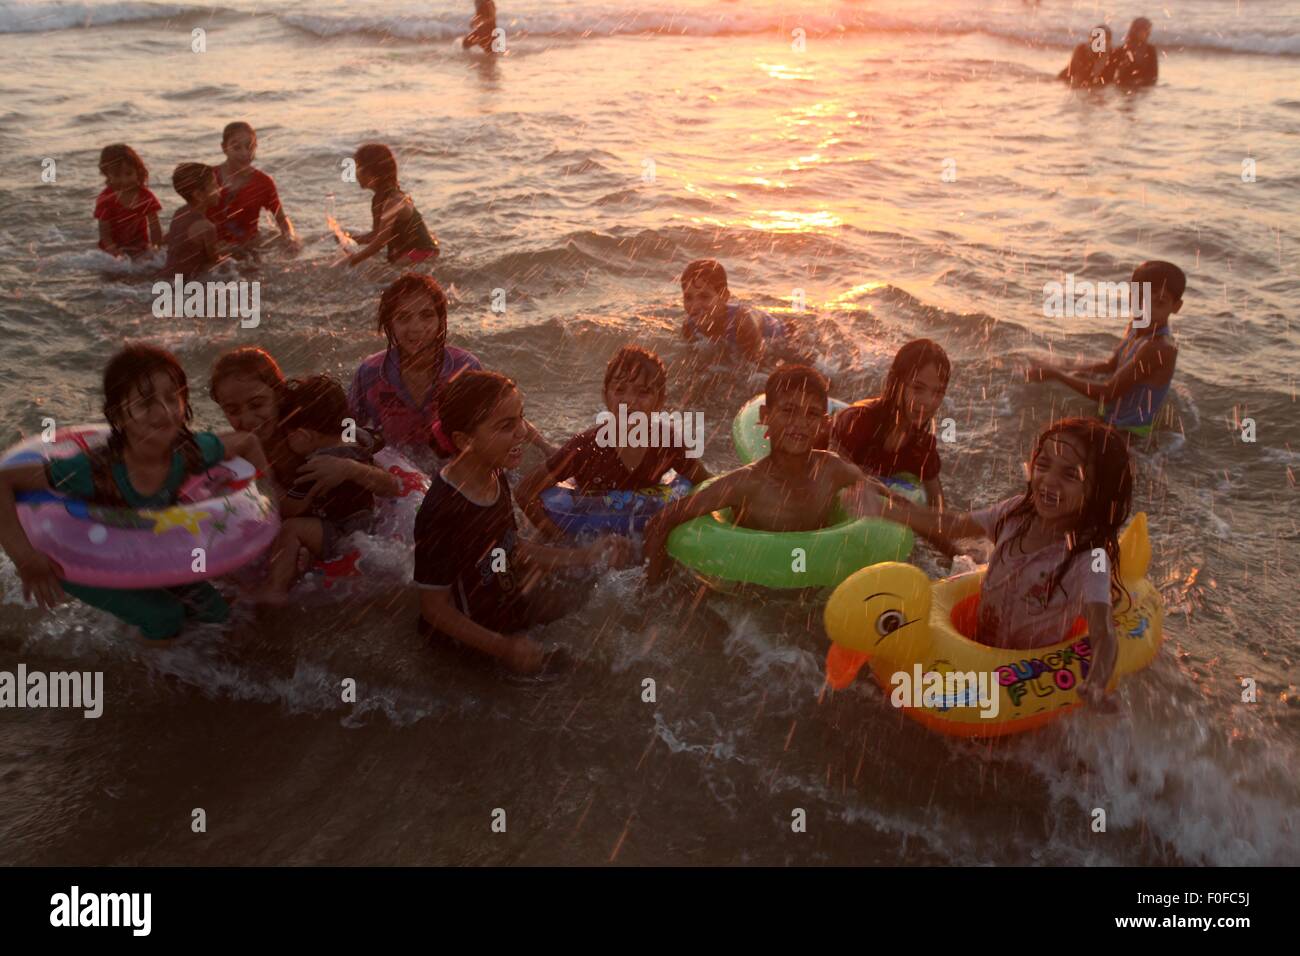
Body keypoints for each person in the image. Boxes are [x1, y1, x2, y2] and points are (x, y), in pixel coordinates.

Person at [0, 344, 268, 643]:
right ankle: (150, 680)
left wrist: (272, 501)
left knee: (217, 613)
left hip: (146, 547)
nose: (165, 413)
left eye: (172, 398)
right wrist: (25, 558)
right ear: (119, 415)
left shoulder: (189, 451)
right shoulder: (93, 470)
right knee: (164, 616)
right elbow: (3, 482)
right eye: (146, 403)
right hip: (79, 554)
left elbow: (247, 443)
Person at [863, 417, 1132, 705]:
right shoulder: (1015, 513)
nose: (1049, 481)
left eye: (1070, 475)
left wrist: (1096, 684)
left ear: (1098, 491)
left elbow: (1103, 633)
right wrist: (888, 511)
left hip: (1028, 672)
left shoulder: (1091, 559)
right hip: (981, 643)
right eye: (1043, 465)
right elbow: (953, 524)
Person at [413, 369, 633, 674]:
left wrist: (585, 556)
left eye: (520, 418)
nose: (521, 433)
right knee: (586, 679)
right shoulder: (443, 510)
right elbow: (433, 607)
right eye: (506, 426)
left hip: (505, 610)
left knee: (609, 622)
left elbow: (510, 547)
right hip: (470, 646)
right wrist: (502, 647)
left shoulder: (494, 474)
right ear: (464, 441)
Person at [643, 365, 876, 584]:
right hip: (752, 594)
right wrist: (652, 588)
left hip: (811, 585)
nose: (800, 423)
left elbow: (880, 495)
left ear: (824, 424)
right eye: (788, 410)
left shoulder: (832, 470)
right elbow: (663, 520)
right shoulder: (747, 483)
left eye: (812, 414)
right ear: (765, 415)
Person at [516, 346, 711, 539]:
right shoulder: (585, 448)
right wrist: (562, 540)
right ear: (605, 396)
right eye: (619, 390)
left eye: (643, 392)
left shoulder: (667, 443)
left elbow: (707, 483)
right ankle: (539, 443)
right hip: (589, 516)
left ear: (659, 401)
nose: (629, 401)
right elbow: (524, 492)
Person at [1025, 261, 1185, 438]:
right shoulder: (1135, 326)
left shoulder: (1158, 348)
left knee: (1049, 437)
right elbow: (1110, 366)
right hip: (1108, 418)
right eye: (1141, 297)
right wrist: (1061, 367)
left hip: (1129, 434)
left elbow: (1109, 393)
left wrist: (1057, 374)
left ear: (1176, 307)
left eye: (1159, 302)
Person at [253, 376, 377, 604]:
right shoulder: (353, 437)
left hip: (345, 532)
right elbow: (376, 439)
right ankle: (308, 558)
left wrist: (267, 480)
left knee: (291, 528)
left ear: (302, 435)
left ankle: (275, 589)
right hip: (366, 520)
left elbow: (292, 507)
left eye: (289, 434)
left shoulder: (318, 465)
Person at [831, 339, 954, 554]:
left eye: (938, 393)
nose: (928, 402)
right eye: (918, 388)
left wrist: (957, 555)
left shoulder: (922, 446)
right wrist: (887, 495)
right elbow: (830, 466)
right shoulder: (859, 422)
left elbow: (937, 511)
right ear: (894, 382)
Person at [210, 122, 300, 251]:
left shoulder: (263, 183)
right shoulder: (208, 178)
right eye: (237, 147)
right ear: (224, 148)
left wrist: (290, 238)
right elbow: (191, 215)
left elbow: (281, 219)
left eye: (250, 147)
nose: (245, 153)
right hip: (211, 249)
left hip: (247, 249)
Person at [346, 144, 440, 268]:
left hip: (423, 253)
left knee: (392, 270)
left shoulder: (393, 202)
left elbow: (380, 242)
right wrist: (349, 239)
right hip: (407, 253)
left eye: (357, 167)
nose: (354, 173)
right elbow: (376, 235)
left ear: (372, 172)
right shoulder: (378, 199)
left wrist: (354, 260)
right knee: (391, 266)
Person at [680, 259, 785, 362]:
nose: (695, 306)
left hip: (782, 335)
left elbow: (758, 367)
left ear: (724, 296)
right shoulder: (689, 326)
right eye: (688, 297)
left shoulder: (743, 323)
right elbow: (694, 362)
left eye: (704, 296)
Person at [94, 144, 162, 258]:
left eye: (129, 173)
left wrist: (156, 250)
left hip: (140, 248)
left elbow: (155, 228)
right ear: (107, 174)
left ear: (138, 171)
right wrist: (114, 251)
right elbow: (104, 234)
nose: (124, 180)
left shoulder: (145, 197)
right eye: (117, 175)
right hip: (110, 252)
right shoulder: (106, 199)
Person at [162, 163, 224, 281]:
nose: (219, 189)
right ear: (199, 195)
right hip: (187, 283)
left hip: (167, 277)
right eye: (215, 186)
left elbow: (169, 240)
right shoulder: (207, 227)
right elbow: (215, 261)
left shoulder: (179, 213)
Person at [1107, 17, 1159, 88]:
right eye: (1145, 30)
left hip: (1145, 88)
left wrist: (1142, 83)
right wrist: (1122, 67)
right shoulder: (1120, 51)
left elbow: (1154, 76)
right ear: (1135, 31)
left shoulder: (1150, 50)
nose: (1148, 33)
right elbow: (1110, 77)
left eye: (1149, 30)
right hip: (1124, 86)